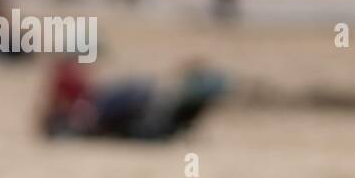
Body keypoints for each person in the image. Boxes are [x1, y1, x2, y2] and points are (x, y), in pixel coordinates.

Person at [40, 60, 227, 140]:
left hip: (136, 105)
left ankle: (201, 87)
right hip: (138, 110)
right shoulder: (81, 113)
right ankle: (201, 88)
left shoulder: (87, 104)